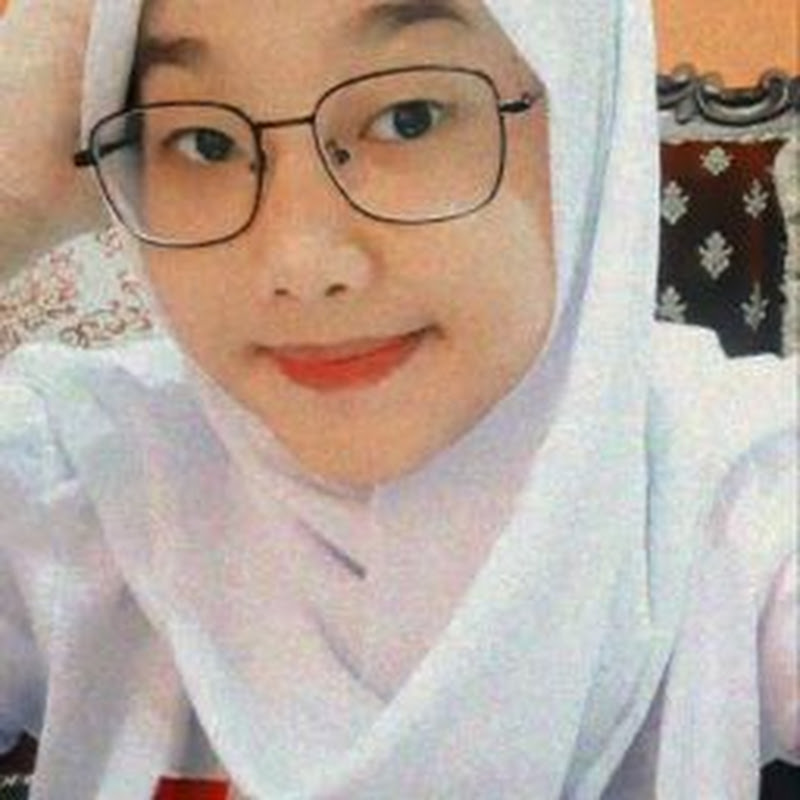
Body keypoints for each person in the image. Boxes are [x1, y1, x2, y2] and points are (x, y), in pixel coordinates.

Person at [0, 0, 797, 797]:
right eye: (205, 141)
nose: (302, 263)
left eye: (409, 118)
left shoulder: (743, 499)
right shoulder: (77, 483)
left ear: (587, 111)